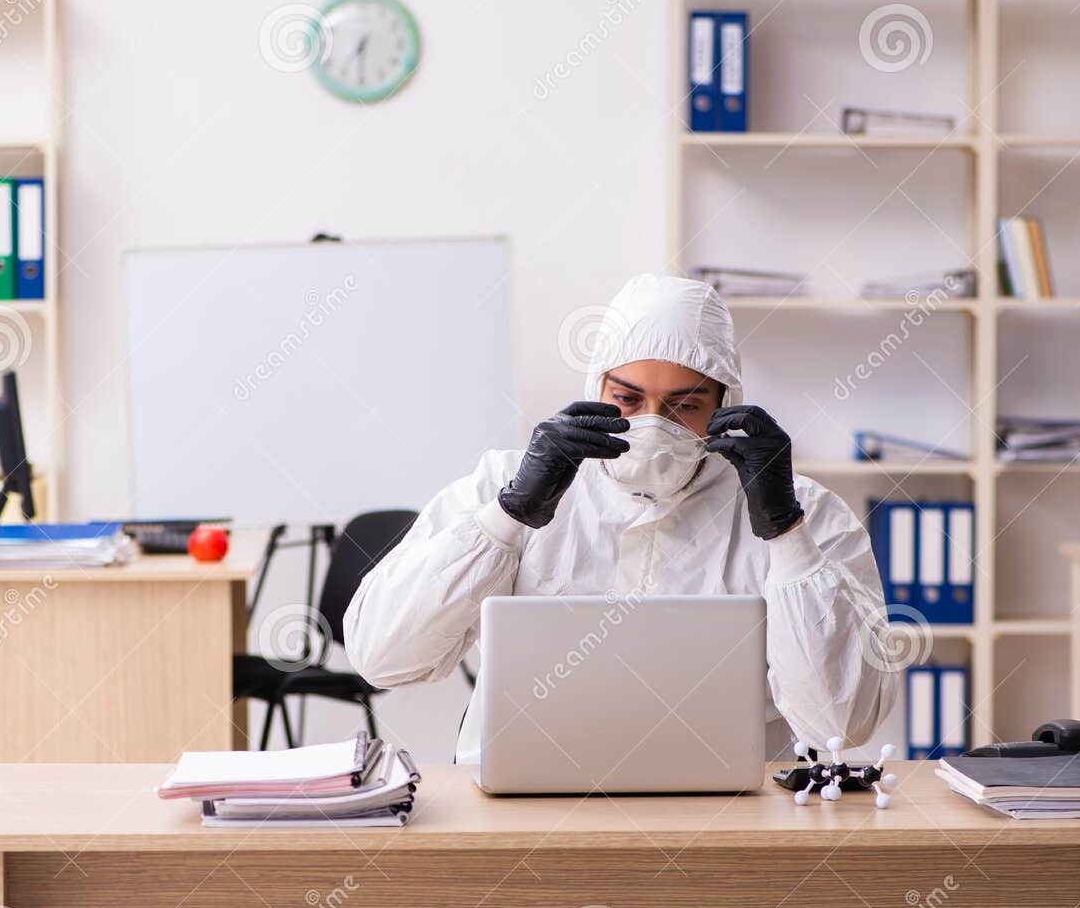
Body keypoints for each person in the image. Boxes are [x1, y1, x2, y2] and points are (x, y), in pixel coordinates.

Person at [344, 272, 898, 762]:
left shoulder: (803, 510)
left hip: (730, 813)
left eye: (685, 405)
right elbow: (384, 658)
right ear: (596, 388)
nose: (653, 423)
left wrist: (786, 533)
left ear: (725, 402)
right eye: (628, 399)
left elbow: (840, 725)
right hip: (522, 806)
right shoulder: (505, 482)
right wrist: (507, 516)